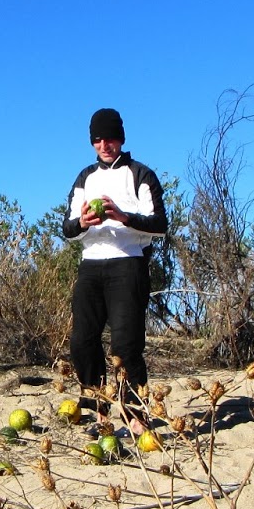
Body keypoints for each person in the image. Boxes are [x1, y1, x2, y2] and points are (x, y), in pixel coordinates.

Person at [63, 108, 168, 427]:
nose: (104, 144)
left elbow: (160, 225)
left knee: (126, 342)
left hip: (128, 264)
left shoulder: (141, 174)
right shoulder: (85, 178)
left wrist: (123, 216)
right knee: (82, 340)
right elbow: (67, 229)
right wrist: (82, 221)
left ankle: (135, 414)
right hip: (90, 266)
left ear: (120, 139)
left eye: (109, 138)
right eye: (97, 139)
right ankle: (97, 405)